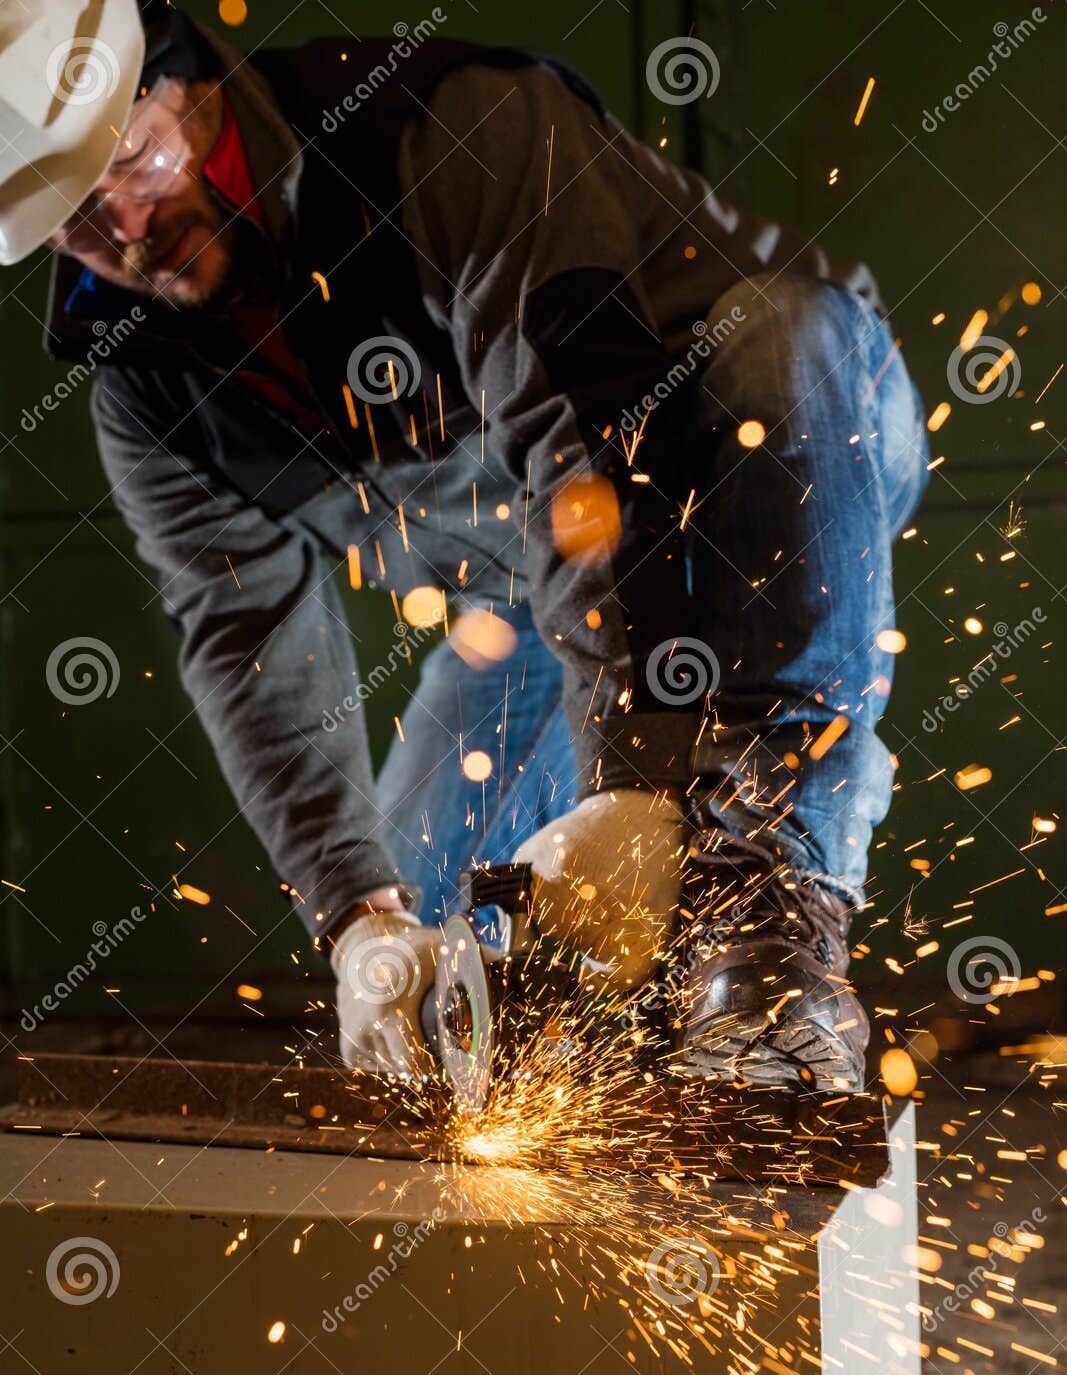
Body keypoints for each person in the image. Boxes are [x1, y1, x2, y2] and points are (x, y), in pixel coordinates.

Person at [1, 0, 927, 1088]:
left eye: (130, 159)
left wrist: (628, 784)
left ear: (181, 79)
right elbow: (241, 631)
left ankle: (768, 918)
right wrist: (357, 917)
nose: (124, 223)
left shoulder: (435, 128)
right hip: (529, 601)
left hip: (757, 448)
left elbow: (580, 429)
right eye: (70, 219)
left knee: (784, 335)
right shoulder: (142, 384)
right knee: (446, 970)